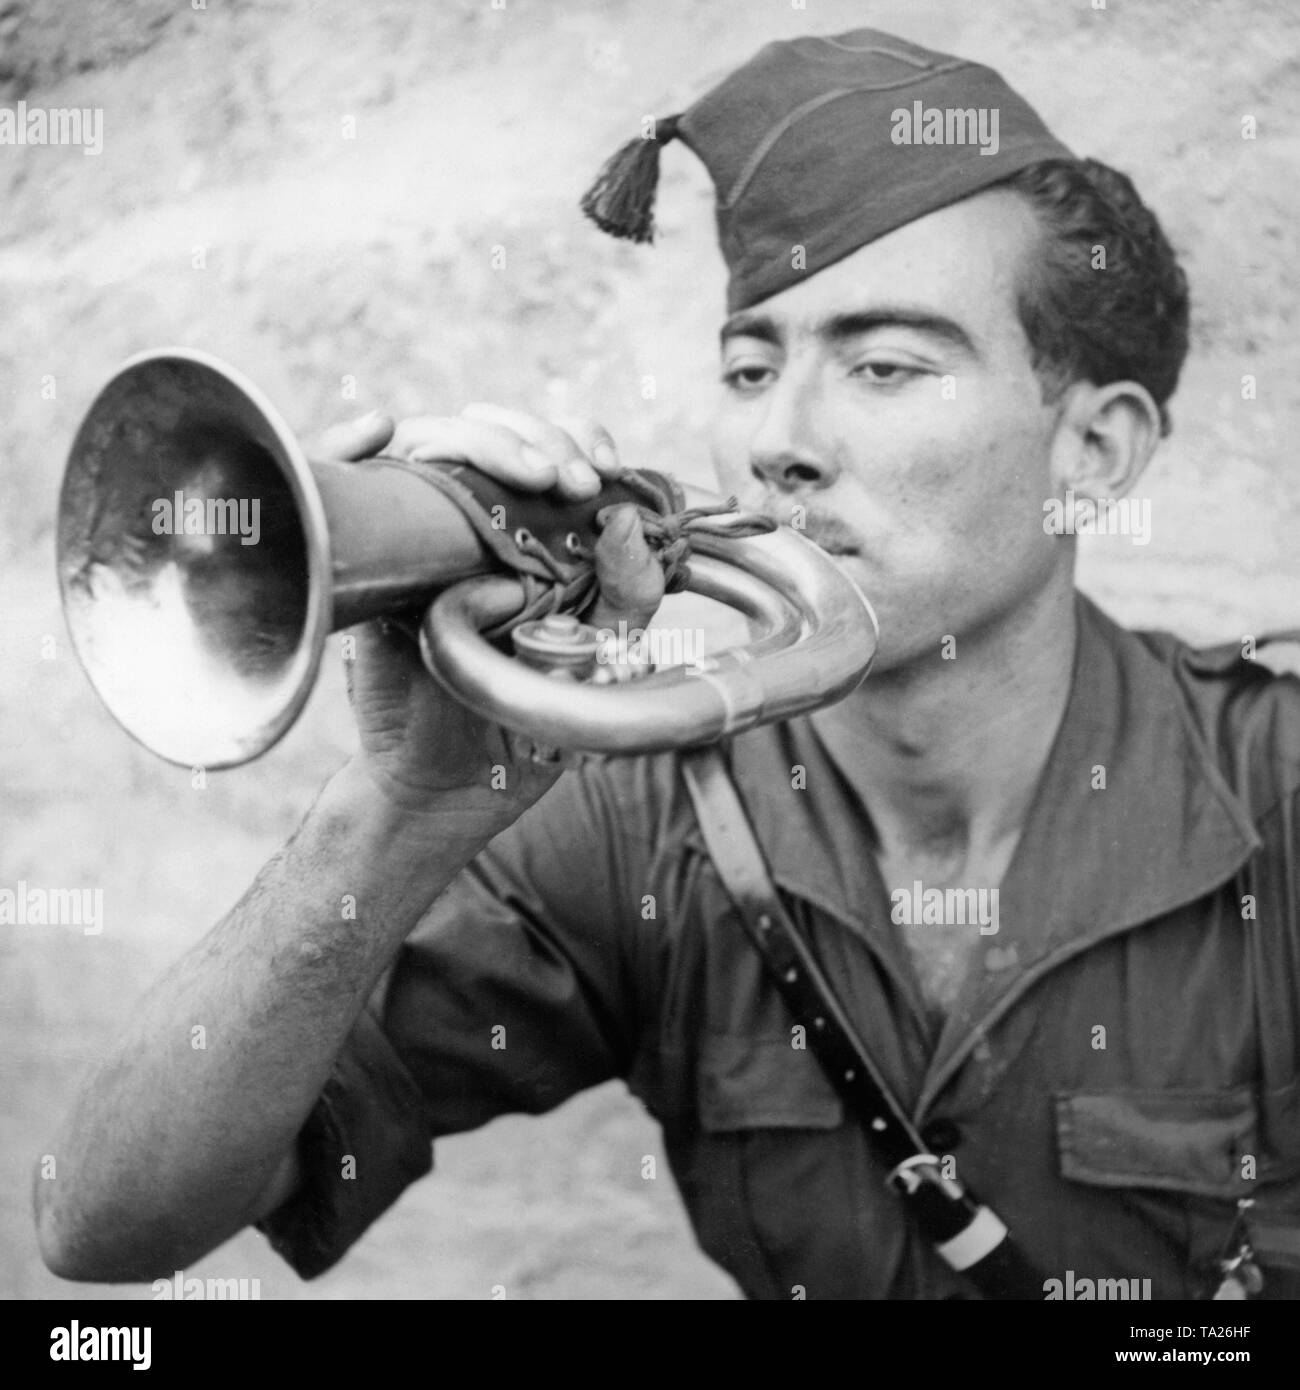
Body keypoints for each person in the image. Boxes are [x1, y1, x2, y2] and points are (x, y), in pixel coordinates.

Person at [34, 27, 1300, 1300]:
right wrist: (395, 812)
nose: (777, 440)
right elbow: (101, 1229)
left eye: (883, 366)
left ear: (1095, 452)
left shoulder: (1276, 788)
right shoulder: (642, 822)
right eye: (750, 365)